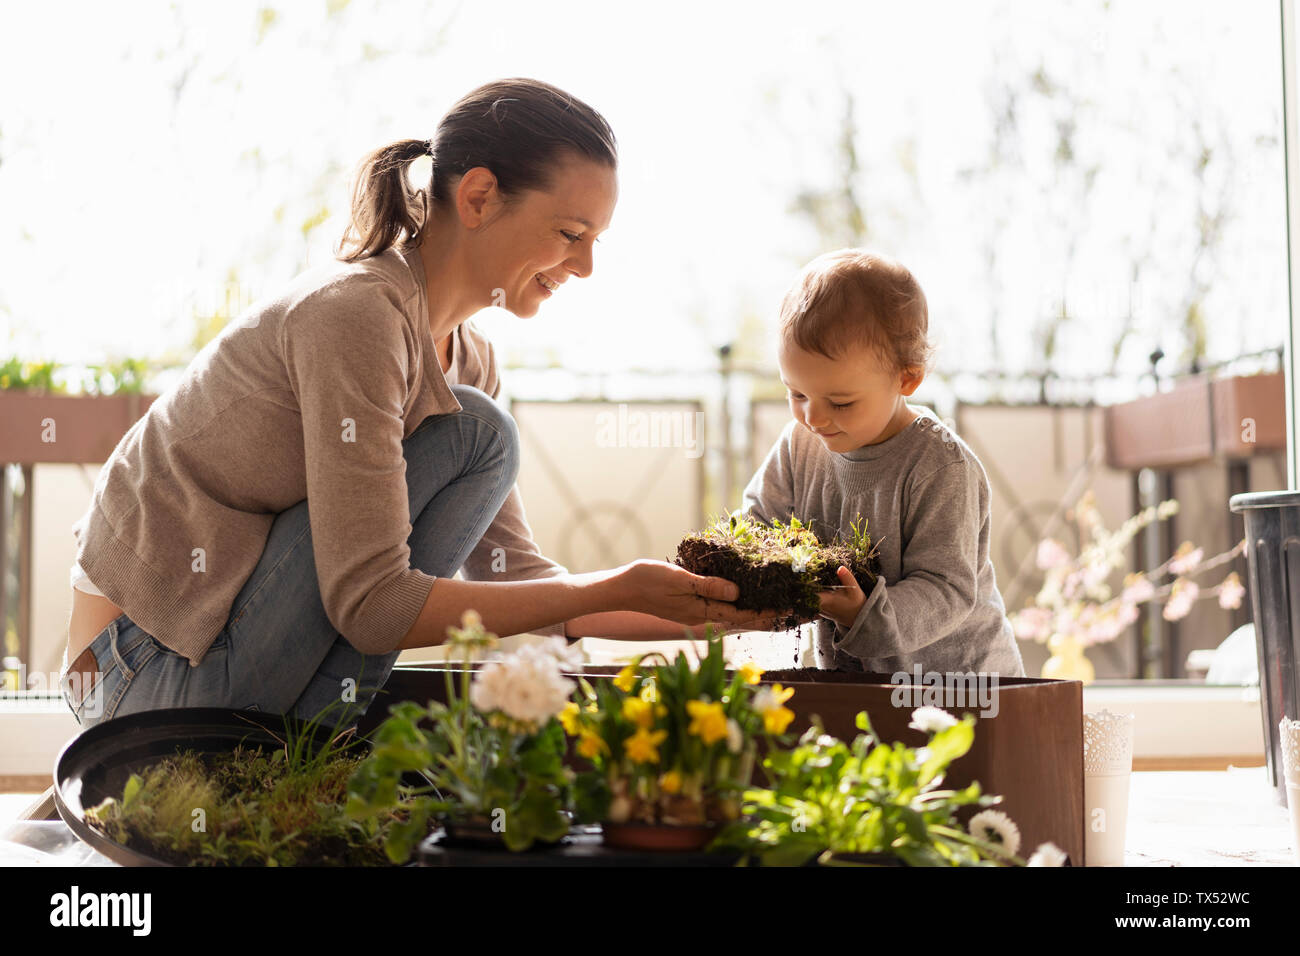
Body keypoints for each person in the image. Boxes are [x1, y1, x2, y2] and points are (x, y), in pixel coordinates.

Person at [61, 77, 757, 731]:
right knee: (478, 432)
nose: (584, 267)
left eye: (594, 242)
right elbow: (372, 607)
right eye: (571, 235)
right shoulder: (357, 314)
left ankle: (291, 763)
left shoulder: (469, 356)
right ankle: (248, 761)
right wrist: (605, 589)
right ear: (480, 197)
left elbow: (518, 579)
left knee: (474, 428)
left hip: (233, 669)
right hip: (139, 677)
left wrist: (735, 610)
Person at [737, 249, 1026, 676]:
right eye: (796, 394)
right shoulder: (800, 443)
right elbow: (761, 521)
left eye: (840, 401)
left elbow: (946, 588)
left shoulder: (940, 467)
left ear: (906, 378)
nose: (813, 418)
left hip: (960, 685)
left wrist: (865, 614)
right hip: (862, 683)